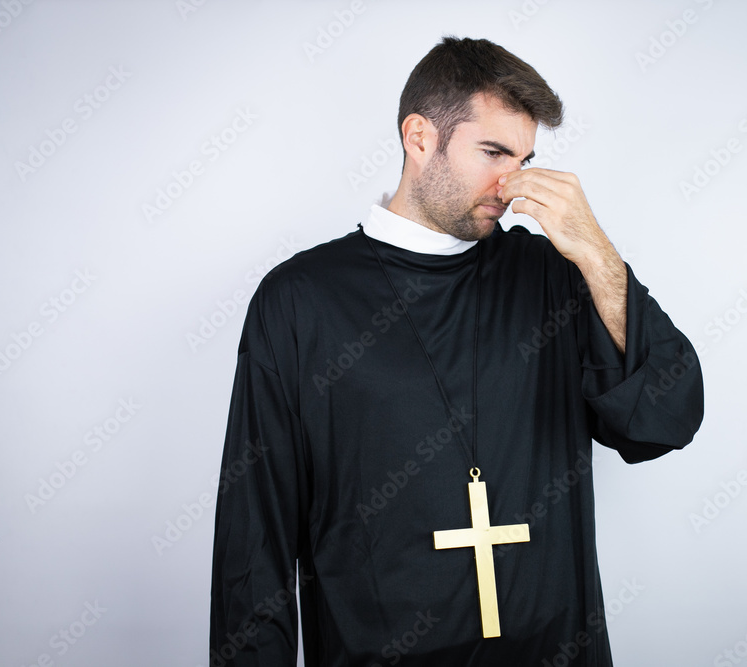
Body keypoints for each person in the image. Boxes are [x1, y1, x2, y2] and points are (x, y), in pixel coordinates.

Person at [209, 35, 703, 666]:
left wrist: (599, 254)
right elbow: (257, 541)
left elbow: (667, 418)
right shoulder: (301, 299)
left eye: (524, 157)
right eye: (493, 151)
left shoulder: (554, 276)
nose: (513, 181)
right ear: (419, 138)